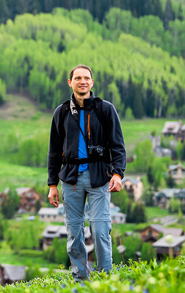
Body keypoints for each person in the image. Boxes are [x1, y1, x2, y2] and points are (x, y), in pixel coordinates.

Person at [46, 64, 126, 281]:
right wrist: (52, 185)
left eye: (86, 78)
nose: (82, 81)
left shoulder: (105, 109)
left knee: (101, 231)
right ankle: (80, 281)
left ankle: (105, 278)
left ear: (92, 82)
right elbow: (54, 151)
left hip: (100, 177)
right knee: (74, 233)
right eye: (78, 78)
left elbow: (118, 145)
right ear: (70, 82)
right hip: (70, 179)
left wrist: (118, 174)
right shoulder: (61, 112)